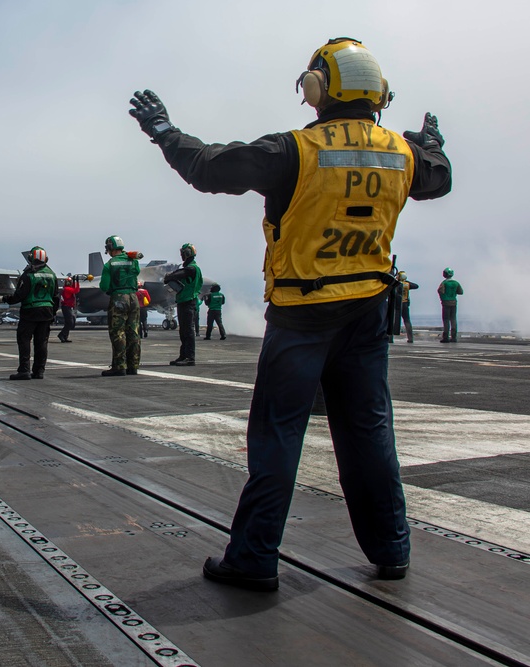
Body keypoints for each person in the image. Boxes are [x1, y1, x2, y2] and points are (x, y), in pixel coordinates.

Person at [129, 36, 451, 590]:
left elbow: (207, 169)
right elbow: (438, 177)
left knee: (279, 434)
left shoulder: (292, 150)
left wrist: (164, 132)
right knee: (369, 432)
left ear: (317, 89)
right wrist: (433, 144)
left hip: (303, 312)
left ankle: (254, 558)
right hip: (370, 311)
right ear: (378, 92)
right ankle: (391, 549)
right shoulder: (402, 152)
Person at [0, 246, 59, 379]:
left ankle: (24, 370)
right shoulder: (52, 275)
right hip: (47, 312)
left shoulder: (29, 274)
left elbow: (19, 295)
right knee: (42, 342)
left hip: (30, 311)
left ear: (31, 258)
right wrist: (52, 313)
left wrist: (3, 299)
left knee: (24, 340)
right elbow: (56, 296)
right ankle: (39, 371)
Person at [99, 235, 141, 376]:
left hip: (118, 298)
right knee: (133, 332)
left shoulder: (109, 264)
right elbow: (137, 272)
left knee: (118, 332)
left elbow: (104, 286)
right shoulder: (133, 261)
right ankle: (133, 366)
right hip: (134, 298)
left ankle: (119, 366)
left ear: (110, 247)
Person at [163, 243, 202, 365]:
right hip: (184, 301)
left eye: (183, 253)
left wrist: (169, 276)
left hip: (188, 302)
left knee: (188, 330)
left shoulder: (191, 268)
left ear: (187, 253)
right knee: (184, 330)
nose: (181, 255)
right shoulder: (190, 267)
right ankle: (183, 355)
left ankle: (190, 358)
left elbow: (178, 274)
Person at [438, 267, 463, 343]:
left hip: (445, 302)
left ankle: (446, 337)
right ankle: (454, 337)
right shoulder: (456, 283)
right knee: (453, 319)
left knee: (446, 320)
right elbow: (461, 292)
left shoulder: (444, 283)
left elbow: (440, 291)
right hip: (454, 302)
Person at [398, 271, 419, 343]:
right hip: (405, 303)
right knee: (407, 321)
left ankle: (390, 337)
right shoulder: (407, 284)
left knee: (393, 320)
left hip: (397, 304)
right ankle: (410, 338)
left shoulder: (396, 284)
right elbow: (416, 286)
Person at [57, 277, 80, 343]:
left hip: (67, 307)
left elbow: (73, 289)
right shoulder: (67, 289)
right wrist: (77, 282)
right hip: (66, 307)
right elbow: (76, 290)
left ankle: (64, 336)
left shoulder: (66, 288)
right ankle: (61, 334)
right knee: (70, 322)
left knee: (68, 322)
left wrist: (75, 281)